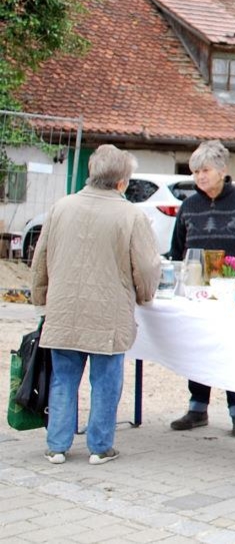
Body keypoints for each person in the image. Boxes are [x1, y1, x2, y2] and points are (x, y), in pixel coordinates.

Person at [32, 145, 161, 465]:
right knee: (105, 381)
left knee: (63, 378)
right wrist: (145, 295)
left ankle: (57, 446)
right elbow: (145, 266)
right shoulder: (131, 214)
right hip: (109, 310)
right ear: (122, 182)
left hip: (64, 308)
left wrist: (41, 298)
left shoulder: (61, 207)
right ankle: (100, 446)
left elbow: (40, 258)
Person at [169, 140, 235, 437]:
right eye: (196, 171)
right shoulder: (188, 206)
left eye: (205, 170)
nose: (200, 176)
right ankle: (197, 407)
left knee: (233, 350)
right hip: (197, 293)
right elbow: (177, 250)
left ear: (223, 171)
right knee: (197, 347)